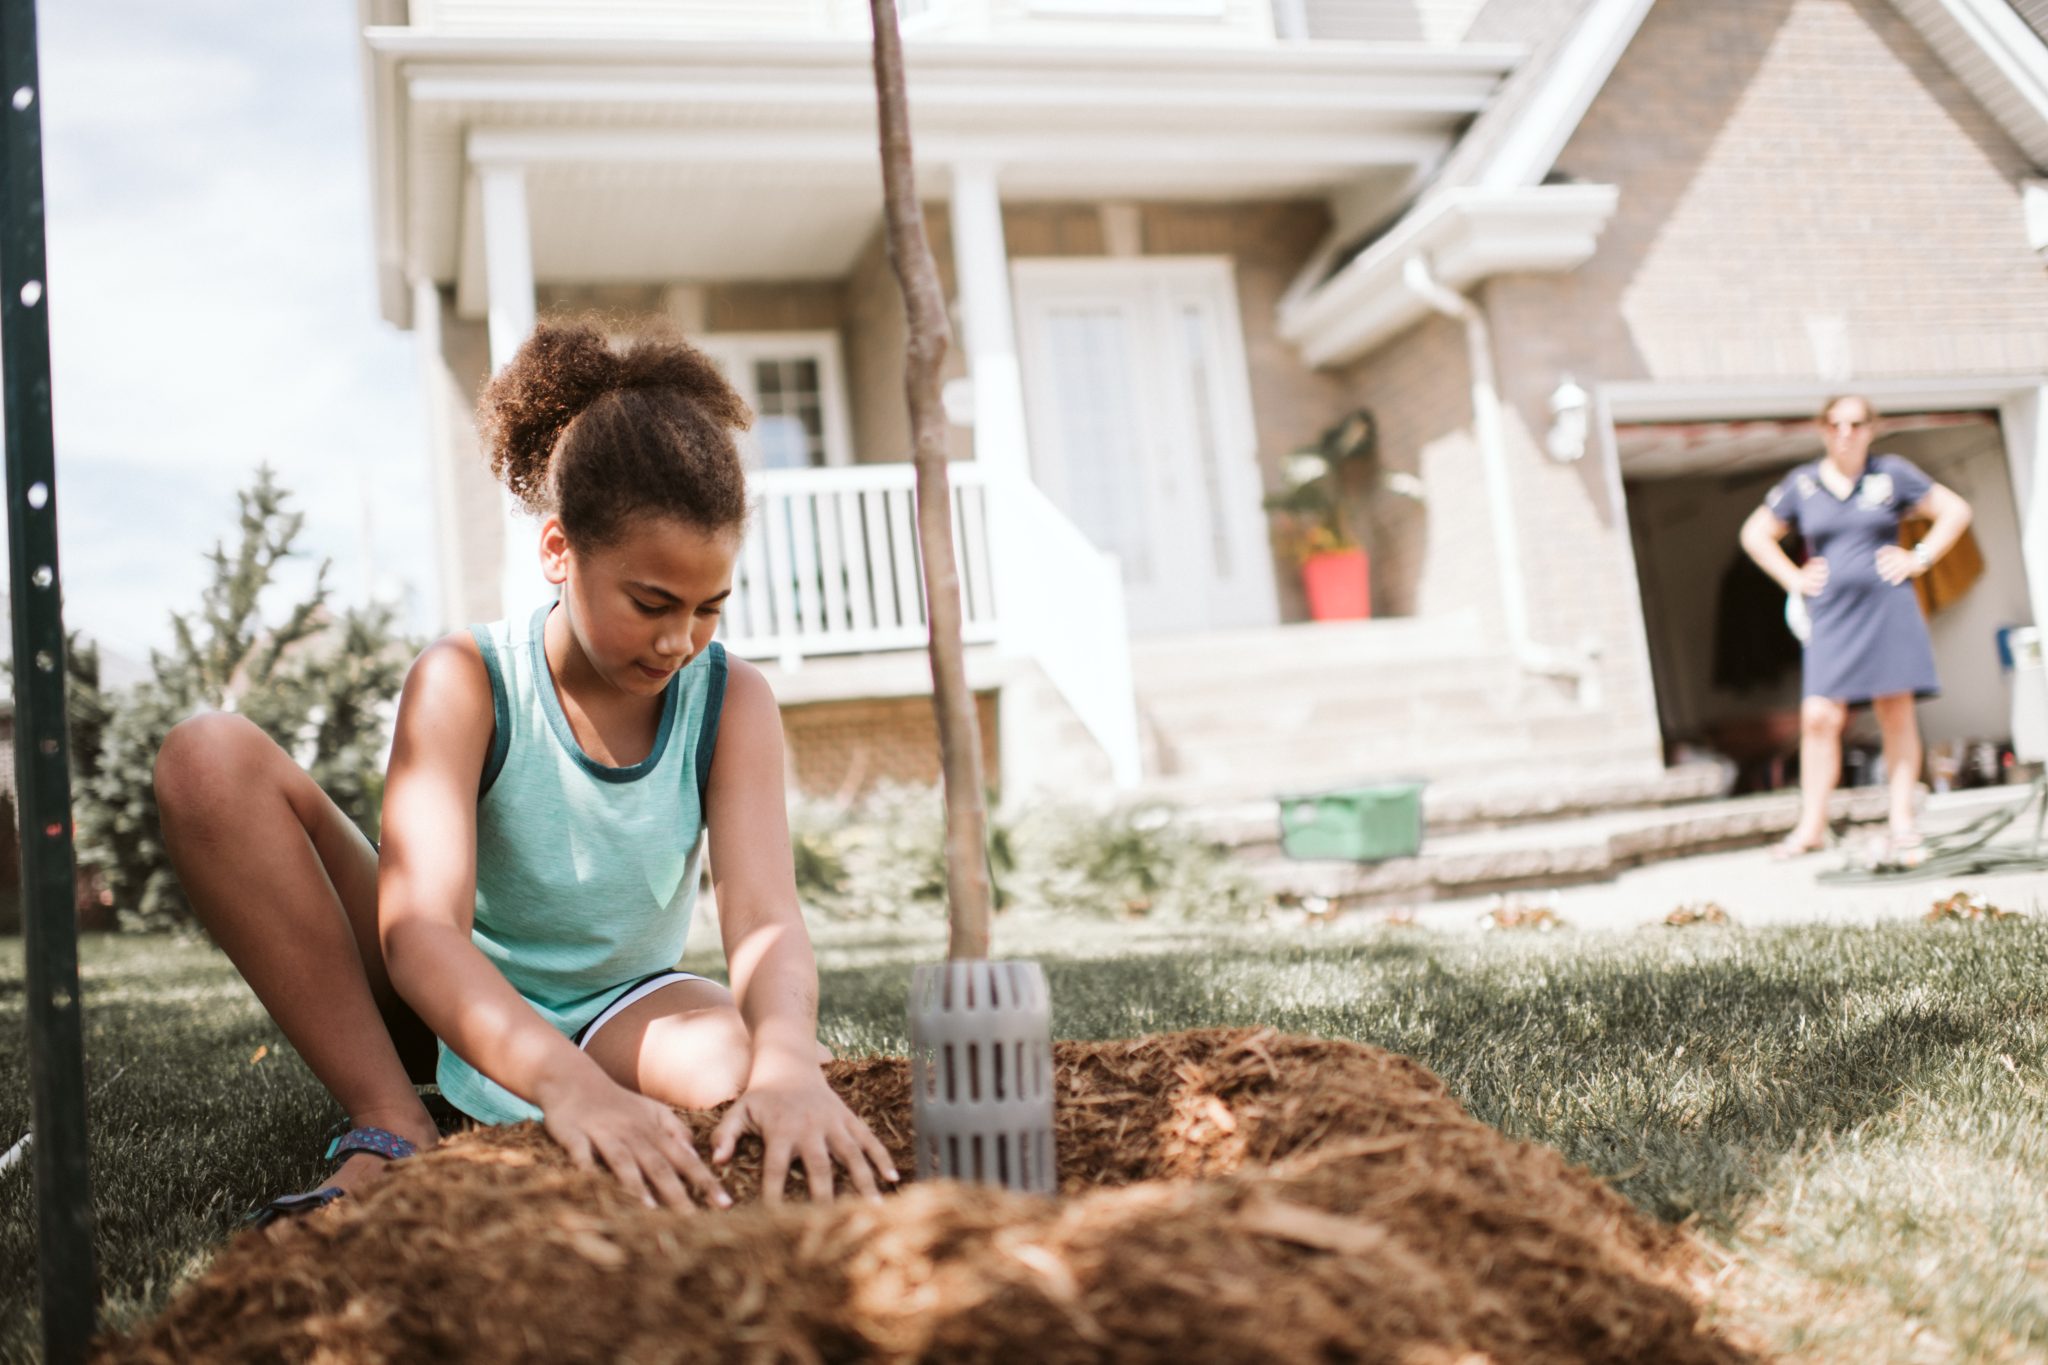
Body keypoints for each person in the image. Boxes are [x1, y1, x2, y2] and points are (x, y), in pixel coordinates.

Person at [153, 320, 897, 1221]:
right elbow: (421, 934)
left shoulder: (731, 699)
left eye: (709, 606)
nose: (679, 639)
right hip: (441, 996)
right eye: (651, 602)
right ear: (559, 552)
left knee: (754, 1073)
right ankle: (393, 1117)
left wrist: (782, 1061)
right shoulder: (466, 679)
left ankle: (618, 1083)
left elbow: (766, 918)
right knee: (207, 756)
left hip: (621, 1009)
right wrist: (565, 1088)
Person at [1738, 394, 1974, 862]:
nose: (1845, 433)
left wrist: (1918, 558)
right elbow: (1755, 534)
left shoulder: (1892, 475)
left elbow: (1954, 511)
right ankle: (1811, 827)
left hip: (1888, 608)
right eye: (1836, 424)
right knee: (1819, 716)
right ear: (1823, 428)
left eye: (1856, 424)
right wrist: (1794, 577)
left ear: (1871, 428)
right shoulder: (1801, 484)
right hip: (1832, 615)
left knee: (1895, 710)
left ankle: (1903, 821)